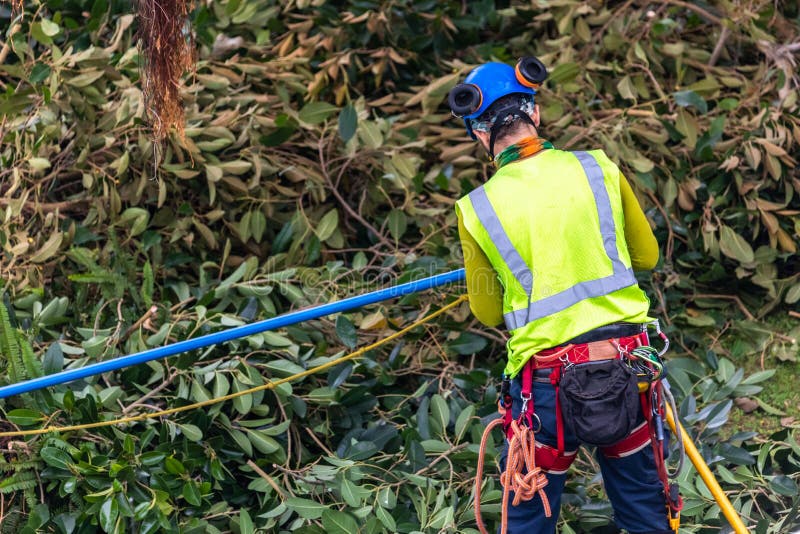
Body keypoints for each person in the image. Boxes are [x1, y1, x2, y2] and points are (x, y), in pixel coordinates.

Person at [449, 58, 679, 534]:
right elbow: (647, 256)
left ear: (479, 133)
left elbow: (487, 310)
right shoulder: (597, 167)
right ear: (534, 112)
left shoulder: (476, 209)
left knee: (530, 515)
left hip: (546, 389)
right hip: (627, 368)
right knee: (644, 509)